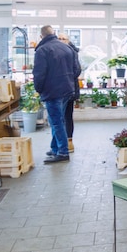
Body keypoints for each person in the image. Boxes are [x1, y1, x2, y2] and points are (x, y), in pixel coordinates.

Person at [33, 25, 80, 163]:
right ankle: (55, 148)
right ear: (53, 33)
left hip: (52, 91)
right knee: (58, 120)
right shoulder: (66, 48)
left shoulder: (42, 50)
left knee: (56, 122)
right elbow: (76, 70)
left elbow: (39, 74)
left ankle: (63, 152)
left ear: (41, 36)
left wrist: (39, 89)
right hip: (66, 90)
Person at [56, 32, 80, 153]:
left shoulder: (72, 52)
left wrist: (66, 79)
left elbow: (77, 70)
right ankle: (63, 142)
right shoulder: (58, 51)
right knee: (61, 116)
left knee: (66, 116)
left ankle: (69, 141)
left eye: (63, 38)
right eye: (59, 38)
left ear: (68, 40)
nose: (61, 40)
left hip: (69, 89)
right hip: (61, 89)